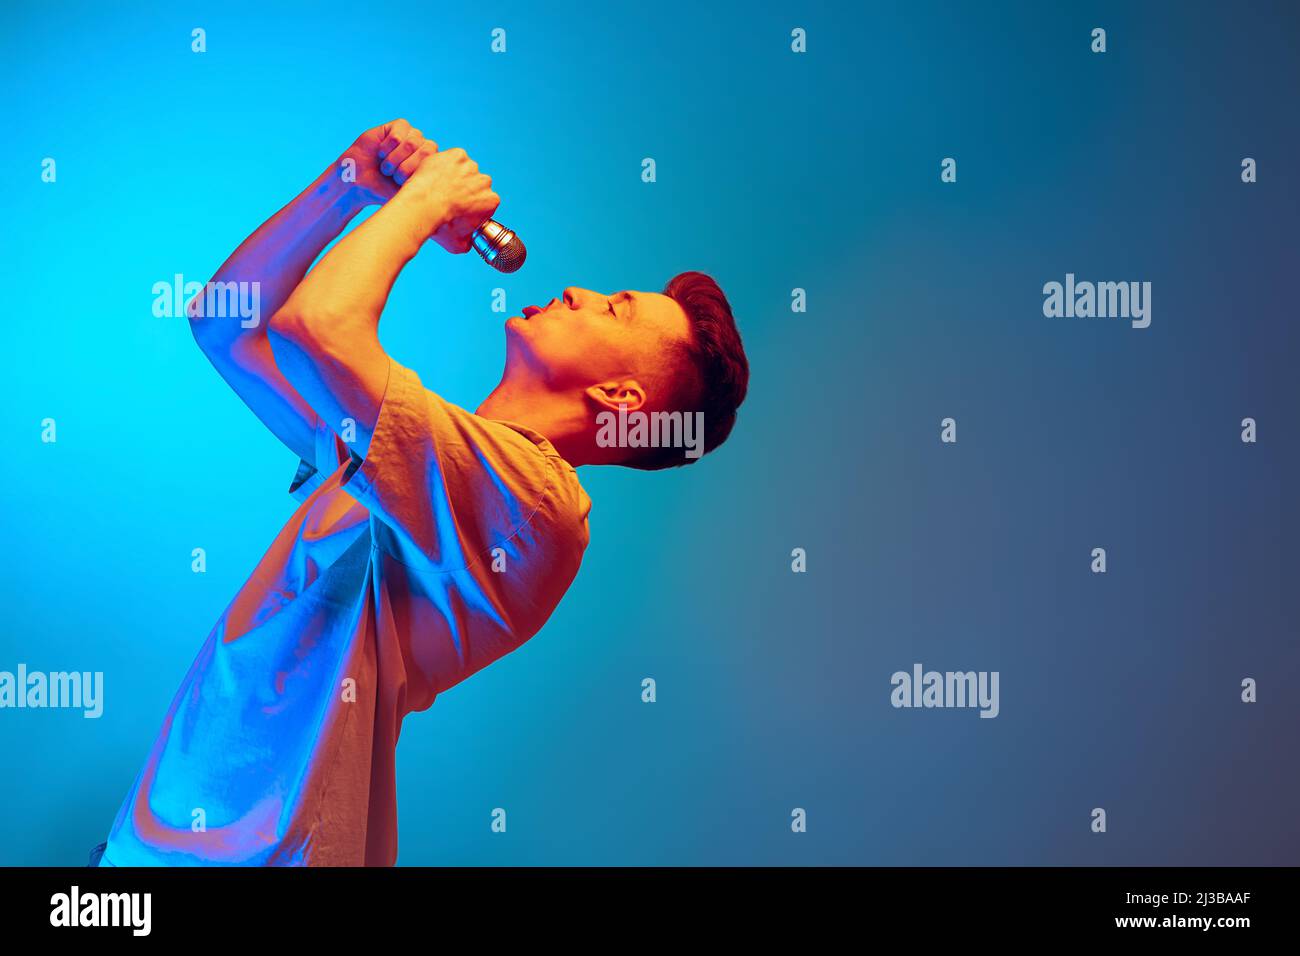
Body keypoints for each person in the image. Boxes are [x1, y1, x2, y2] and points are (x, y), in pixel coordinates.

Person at [96, 120, 749, 866]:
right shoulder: (398, 461)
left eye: (615, 307)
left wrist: (426, 202)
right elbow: (225, 323)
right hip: (141, 855)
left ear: (622, 398)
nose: (579, 291)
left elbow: (321, 328)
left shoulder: (539, 508)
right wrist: (350, 183)